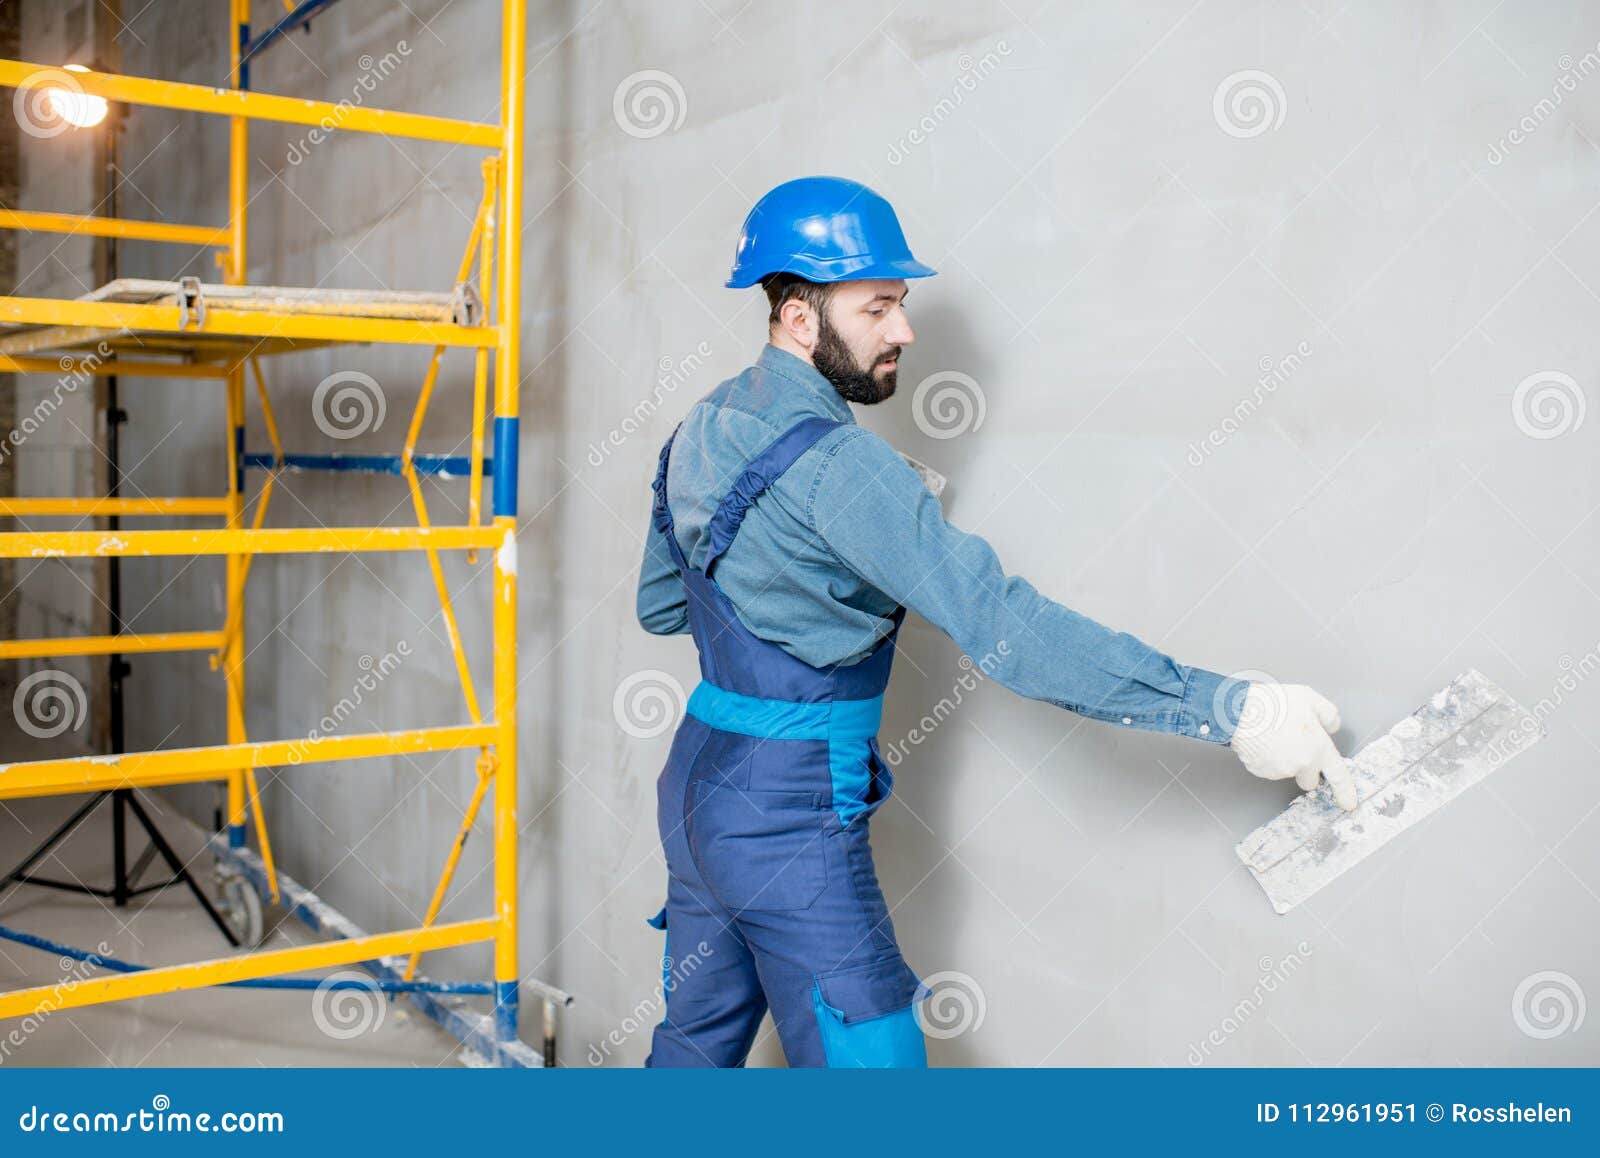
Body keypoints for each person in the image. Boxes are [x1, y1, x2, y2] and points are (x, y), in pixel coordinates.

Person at [635, 176, 1352, 1068]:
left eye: (901, 304)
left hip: (696, 792)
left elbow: (663, 606)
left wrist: (805, 577)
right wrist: (1231, 707)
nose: (903, 331)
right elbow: (1009, 628)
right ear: (799, 319)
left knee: (692, 1050)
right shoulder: (846, 468)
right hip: (787, 814)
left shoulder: (700, 426)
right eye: (877, 308)